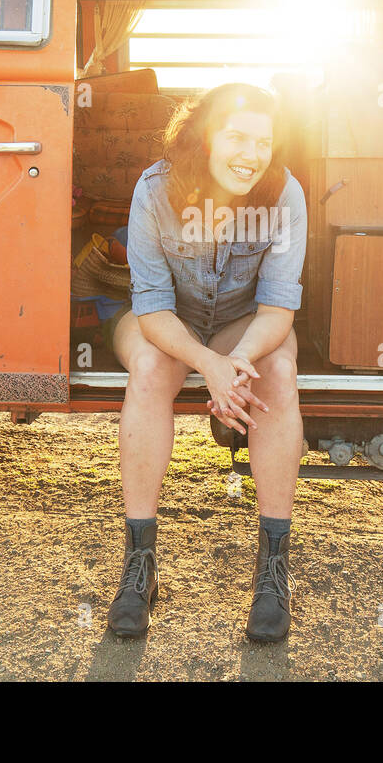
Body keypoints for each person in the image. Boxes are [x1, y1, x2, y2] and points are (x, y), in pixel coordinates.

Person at [102, 82, 307, 642]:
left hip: (247, 324)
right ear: (203, 138)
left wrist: (235, 359)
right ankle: (140, 565)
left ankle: (271, 573)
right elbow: (151, 308)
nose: (251, 154)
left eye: (263, 142)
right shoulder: (154, 190)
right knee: (146, 372)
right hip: (169, 323)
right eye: (237, 137)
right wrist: (206, 364)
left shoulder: (285, 194)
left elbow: (278, 306)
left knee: (280, 374)